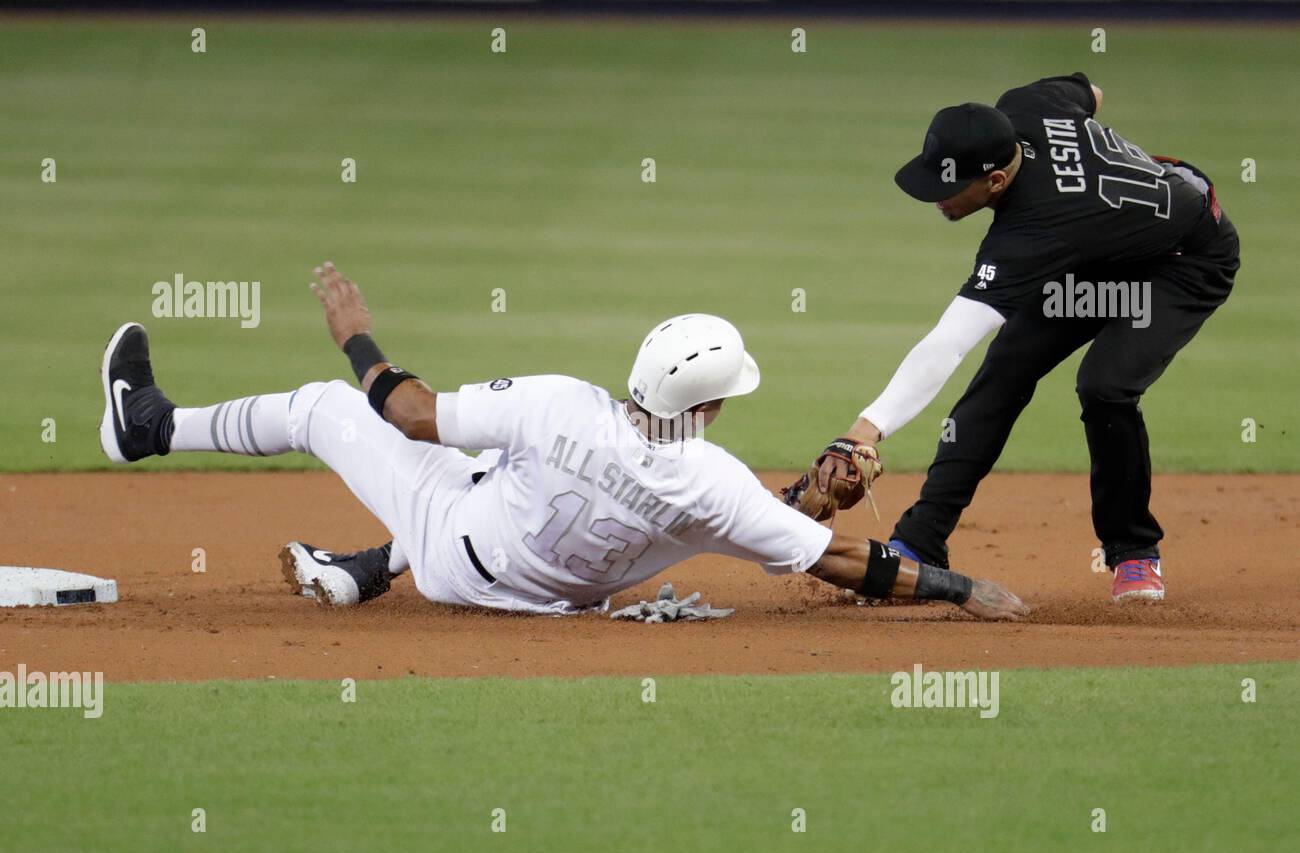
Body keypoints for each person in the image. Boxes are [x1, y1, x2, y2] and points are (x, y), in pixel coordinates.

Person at [98, 262, 1028, 620]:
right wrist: (959, 586)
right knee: (495, 470)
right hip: (546, 600)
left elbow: (409, 412)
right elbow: (839, 559)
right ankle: (363, 569)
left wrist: (356, 341)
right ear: (709, 410)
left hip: (457, 545)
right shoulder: (715, 486)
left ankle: (146, 427)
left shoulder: (558, 405)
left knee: (319, 410)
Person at [805, 73, 1239, 603]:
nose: (935, 197)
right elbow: (1094, 92)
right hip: (1095, 253)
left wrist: (863, 432)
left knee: (1105, 386)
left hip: (1182, 263)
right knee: (1006, 367)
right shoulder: (1024, 107)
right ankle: (921, 541)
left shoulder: (1031, 233)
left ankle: (1134, 553)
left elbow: (949, 342)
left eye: (948, 187)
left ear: (994, 183)